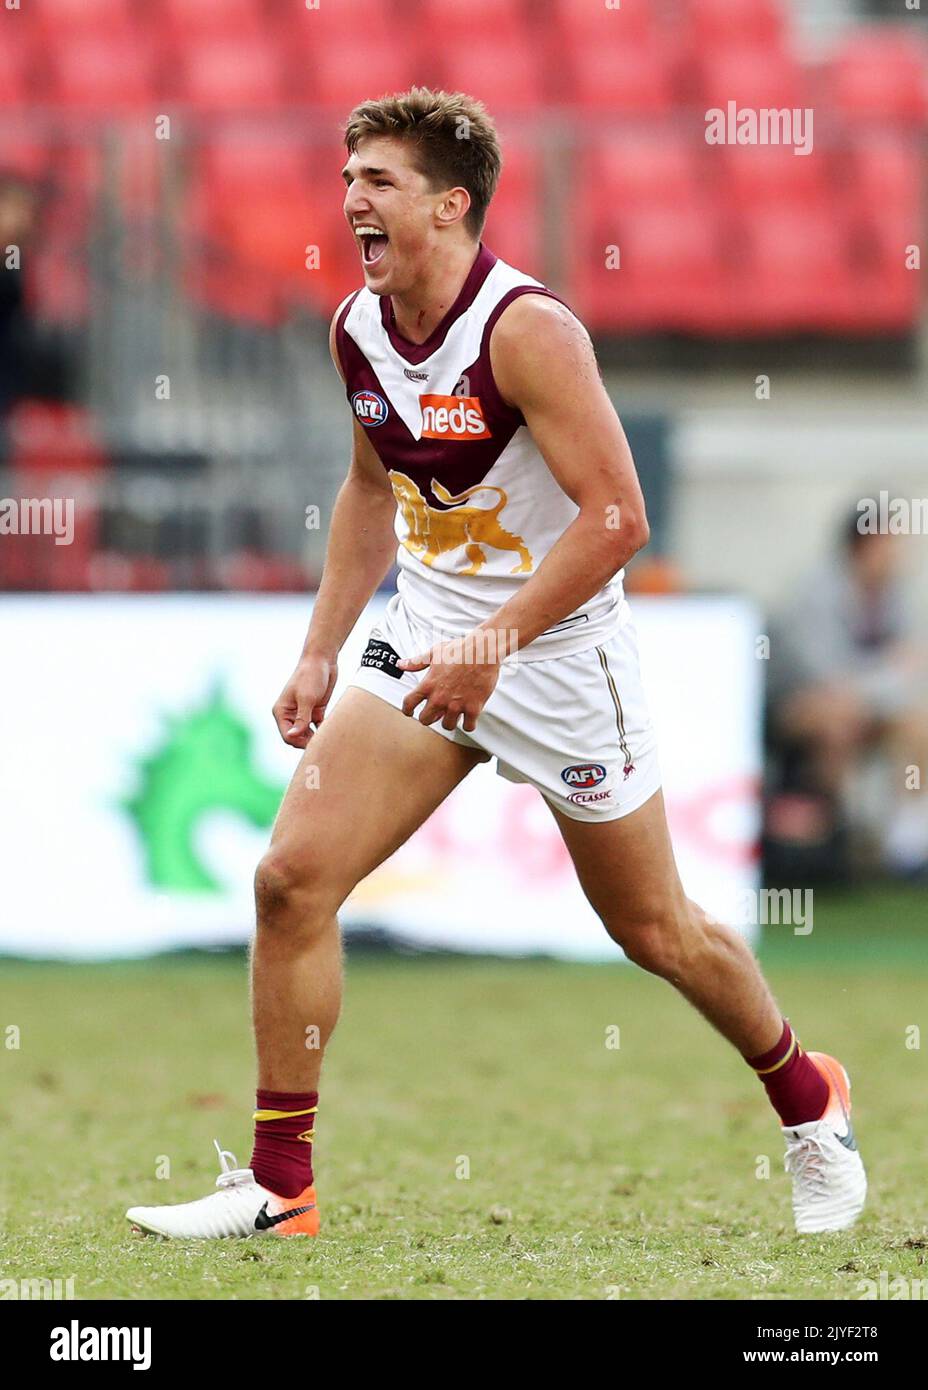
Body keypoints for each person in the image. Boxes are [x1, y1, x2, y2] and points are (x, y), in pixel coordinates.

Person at [126, 89, 865, 1241]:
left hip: (560, 657)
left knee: (655, 930)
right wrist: (320, 651)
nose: (350, 200)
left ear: (450, 203)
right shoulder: (356, 327)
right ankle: (282, 1188)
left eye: (377, 180)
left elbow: (618, 518)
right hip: (426, 640)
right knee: (290, 882)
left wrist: (494, 646)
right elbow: (373, 491)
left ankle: (808, 1097)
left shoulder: (528, 330)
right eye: (347, 177)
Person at [771, 511, 928, 876]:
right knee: (837, 723)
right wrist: (890, 674)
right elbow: (827, 678)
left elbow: (909, 667)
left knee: (918, 723)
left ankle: (906, 848)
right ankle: (835, 845)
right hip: (797, 706)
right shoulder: (814, 592)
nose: (898, 554)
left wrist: (888, 679)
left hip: (861, 704)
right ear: (865, 545)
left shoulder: (893, 594)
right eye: (890, 544)